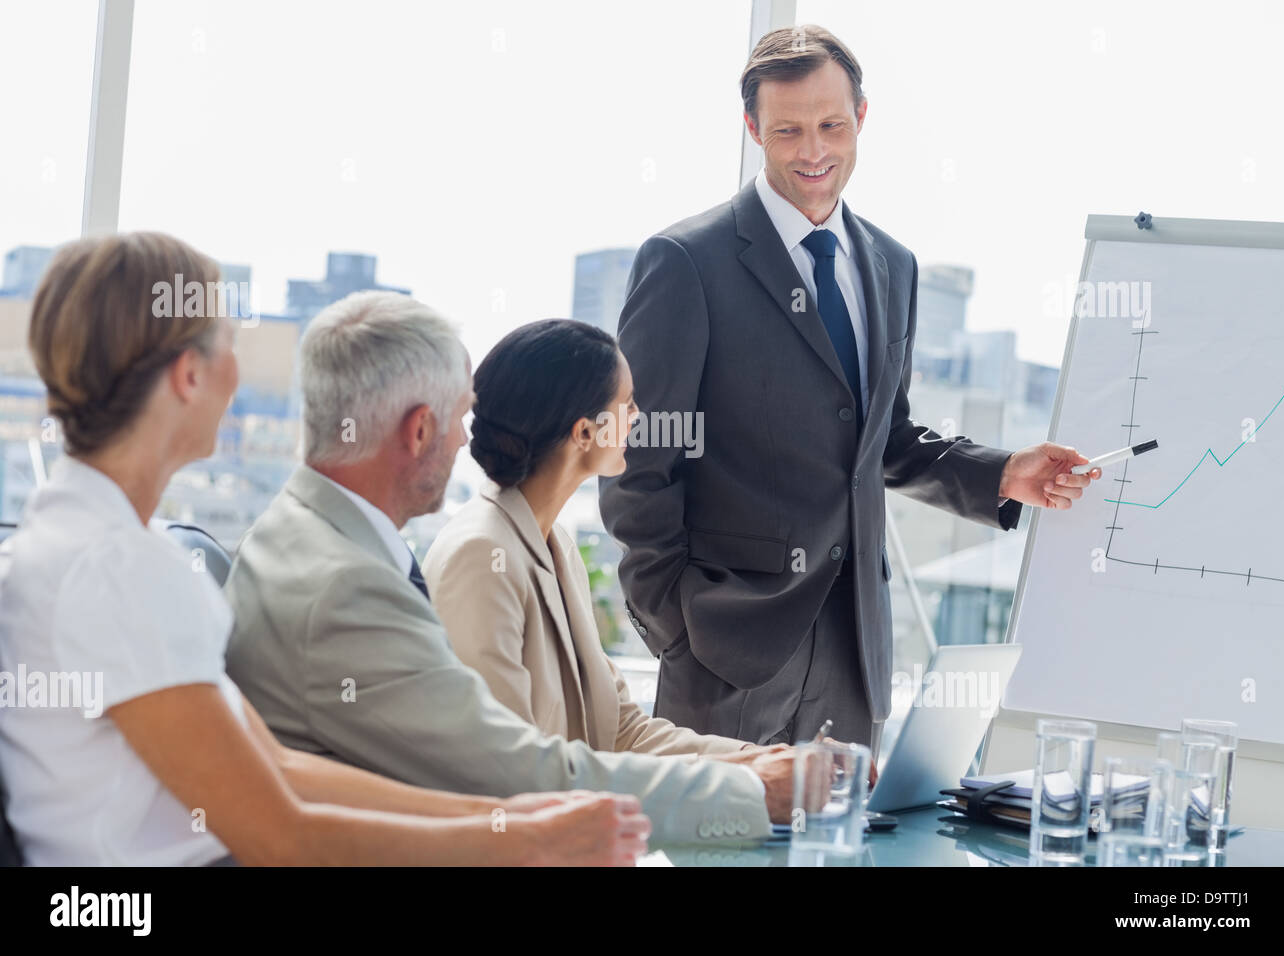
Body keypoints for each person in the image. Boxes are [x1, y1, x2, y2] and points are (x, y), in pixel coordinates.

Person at [0, 232, 649, 866]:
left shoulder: (97, 541)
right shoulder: (117, 570)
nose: (239, 372)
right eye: (230, 345)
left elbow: (279, 770)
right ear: (188, 376)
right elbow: (278, 835)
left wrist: (509, 818)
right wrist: (527, 842)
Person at [597, 25, 1104, 754]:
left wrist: (1002, 473)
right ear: (752, 128)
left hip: (855, 651)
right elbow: (637, 460)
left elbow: (881, 440)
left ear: (862, 117)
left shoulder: (892, 265)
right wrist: (677, 630)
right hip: (727, 653)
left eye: (832, 125)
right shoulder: (687, 263)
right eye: (788, 130)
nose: (813, 151)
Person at [223, 291, 799, 844]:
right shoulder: (371, 579)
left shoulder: (305, 538)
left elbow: (612, 728)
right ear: (419, 429)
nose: (463, 440)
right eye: (457, 416)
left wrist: (759, 764)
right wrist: (748, 791)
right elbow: (508, 773)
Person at [424, 320, 778, 761]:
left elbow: (620, 732)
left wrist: (767, 761)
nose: (637, 416)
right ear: (584, 432)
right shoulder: (482, 556)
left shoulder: (556, 545)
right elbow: (507, 764)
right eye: (626, 403)